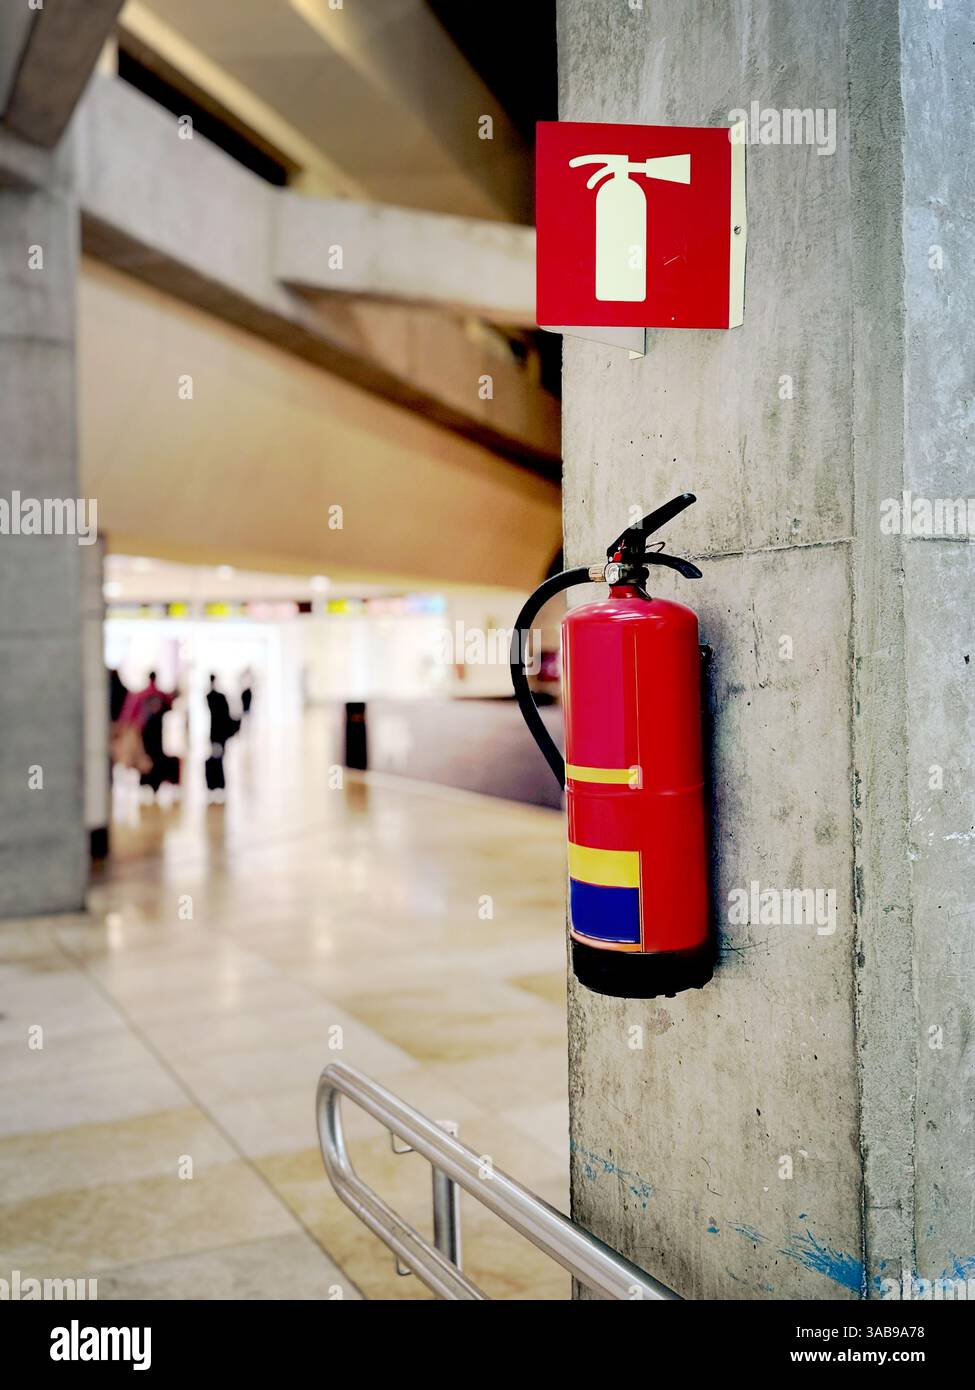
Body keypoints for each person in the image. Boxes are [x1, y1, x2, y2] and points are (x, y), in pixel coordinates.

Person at [205, 674, 240, 801]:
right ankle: (216, 785)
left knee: (217, 760)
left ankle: (216, 786)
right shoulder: (218, 697)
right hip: (219, 733)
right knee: (218, 760)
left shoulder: (211, 696)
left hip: (216, 733)